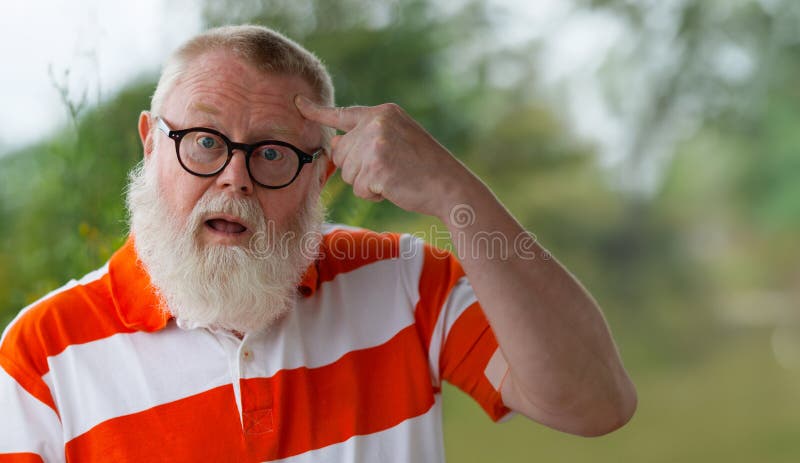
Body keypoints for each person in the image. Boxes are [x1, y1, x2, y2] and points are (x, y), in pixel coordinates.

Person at [0, 25, 636, 462]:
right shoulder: (43, 359)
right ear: (149, 141)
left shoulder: (404, 282)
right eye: (203, 140)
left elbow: (597, 402)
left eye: (272, 152)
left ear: (320, 174)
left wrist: (453, 191)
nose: (235, 177)